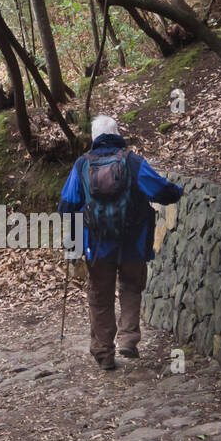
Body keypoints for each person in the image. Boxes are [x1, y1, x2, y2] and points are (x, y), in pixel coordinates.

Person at [58, 115, 183, 370]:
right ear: (116, 133)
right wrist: (178, 190)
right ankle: (128, 338)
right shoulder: (132, 162)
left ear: (94, 138)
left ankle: (104, 354)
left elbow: (67, 206)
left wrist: (74, 240)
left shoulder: (82, 164)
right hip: (133, 241)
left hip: (97, 244)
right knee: (131, 287)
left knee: (99, 296)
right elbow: (162, 192)